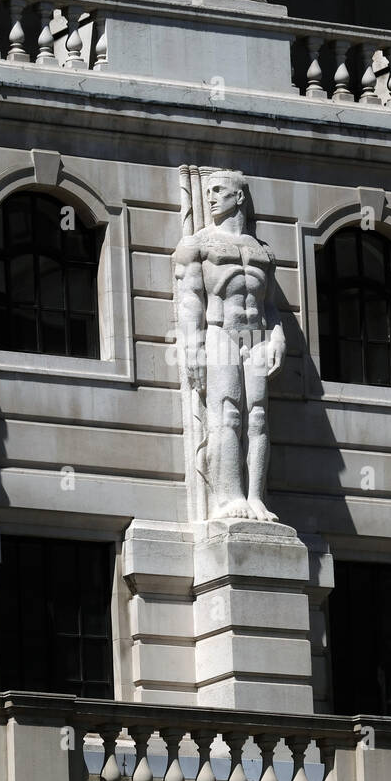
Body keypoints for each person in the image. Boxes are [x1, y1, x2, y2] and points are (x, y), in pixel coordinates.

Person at [174, 171, 285, 521]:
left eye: (219, 191)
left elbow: (269, 305)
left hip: (257, 335)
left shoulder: (261, 250)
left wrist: (279, 335)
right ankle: (228, 495)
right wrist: (193, 350)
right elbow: (190, 299)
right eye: (207, 191)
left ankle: (255, 496)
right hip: (220, 331)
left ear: (239, 197)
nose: (210, 198)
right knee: (227, 413)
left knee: (259, 417)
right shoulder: (198, 244)